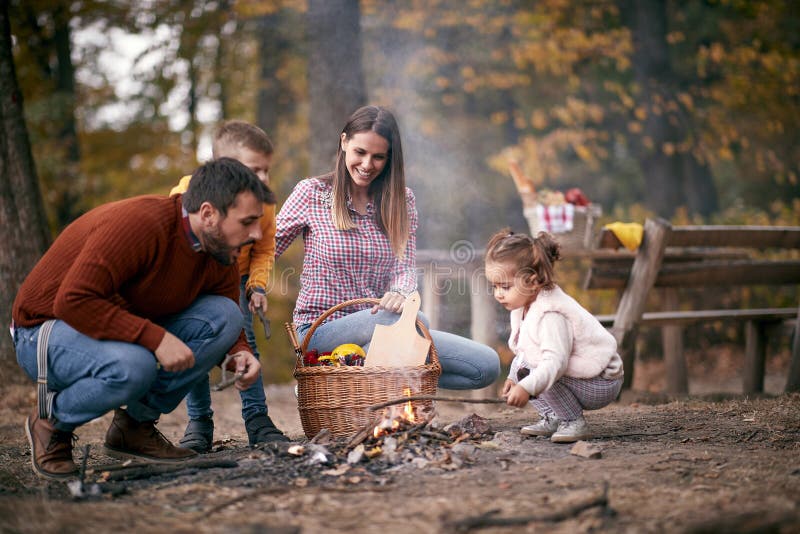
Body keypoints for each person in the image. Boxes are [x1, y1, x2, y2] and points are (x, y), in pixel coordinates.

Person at [11, 158, 268, 480]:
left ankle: (133, 427)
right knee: (134, 366)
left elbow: (227, 312)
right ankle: (50, 422)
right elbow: (73, 301)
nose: (256, 233)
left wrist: (238, 353)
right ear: (208, 214)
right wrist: (156, 339)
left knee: (227, 315)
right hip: (44, 331)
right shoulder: (140, 225)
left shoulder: (219, 249)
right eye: (247, 222)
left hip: (111, 329)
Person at [275, 105, 500, 390]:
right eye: (360, 152)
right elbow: (266, 250)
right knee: (417, 321)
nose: (368, 164)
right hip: (321, 330)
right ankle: (334, 373)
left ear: (389, 158)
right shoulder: (311, 193)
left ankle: (344, 378)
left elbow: (404, 266)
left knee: (485, 365)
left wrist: (400, 291)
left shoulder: (401, 201)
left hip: (385, 327)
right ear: (344, 142)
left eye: (378, 156)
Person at [170, 121, 288, 452]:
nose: (263, 179)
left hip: (237, 279)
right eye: (255, 170)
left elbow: (264, 248)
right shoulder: (186, 195)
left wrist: (257, 286)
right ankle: (199, 422)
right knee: (196, 347)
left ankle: (257, 419)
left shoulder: (263, 204)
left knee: (246, 342)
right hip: (196, 278)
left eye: (267, 170)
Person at [484, 229, 624, 443]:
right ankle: (554, 417)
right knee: (527, 371)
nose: (498, 294)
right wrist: (515, 377)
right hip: (581, 377)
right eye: (494, 286)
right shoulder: (523, 307)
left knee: (540, 372)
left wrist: (527, 386)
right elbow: (526, 350)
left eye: (505, 286)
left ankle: (573, 421)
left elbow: (555, 363)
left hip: (601, 381)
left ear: (532, 282)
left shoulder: (550, 314)